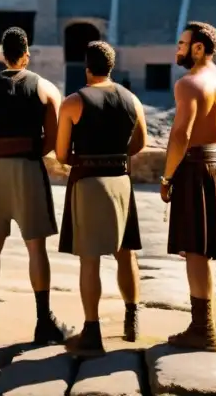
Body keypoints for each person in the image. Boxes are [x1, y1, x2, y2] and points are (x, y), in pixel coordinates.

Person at [0, 27, 66, 344]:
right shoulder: (45, 88)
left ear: (3, 55)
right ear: (27, 54)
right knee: (36, 247)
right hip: (28, 168)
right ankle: (43, 321)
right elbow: (52, 140)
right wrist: (30, 152)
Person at [56, 41, 147, 357]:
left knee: (90, 259)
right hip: (120, 180)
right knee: (126, 254)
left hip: (88, 182)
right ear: (111, 66)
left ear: (87, 67)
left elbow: (61, 153)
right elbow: (140, 143)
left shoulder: (72, 103)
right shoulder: (131, 99)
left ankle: (92, 331)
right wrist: (116, 155)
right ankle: (131, 319)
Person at [161, 22, 216, 350]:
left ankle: (202, 330)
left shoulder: (189, 84)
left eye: (182, 44)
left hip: (197, 167)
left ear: (198, 48)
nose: (177, 50)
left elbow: (181, 133)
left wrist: (168, 177)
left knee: (195, 248)